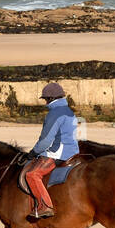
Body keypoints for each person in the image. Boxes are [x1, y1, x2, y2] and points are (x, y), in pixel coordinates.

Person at [23, 82, 79, 219]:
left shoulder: (54, 113)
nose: (45, 103)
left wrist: (33, 153)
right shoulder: (69, 111)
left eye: (46, 100)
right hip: (73, 150)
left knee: (32, 175)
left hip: (58, 153)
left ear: (50, 98)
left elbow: (46, 141)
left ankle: (45, 206)